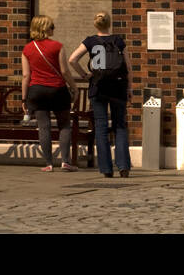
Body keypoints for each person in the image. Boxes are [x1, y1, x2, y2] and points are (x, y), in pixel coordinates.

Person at [68, 11, 132, 177]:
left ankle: (106, 169)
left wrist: (84, 75)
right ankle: (124, 167)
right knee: (120, 126)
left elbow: (72, 59)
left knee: (101, 127)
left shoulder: (90, 41)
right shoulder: (118, 41)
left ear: (95, 24)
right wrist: (129, 88)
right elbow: (128, 67)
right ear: (109, 23)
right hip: (118, 87)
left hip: (98, 86)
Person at [21, 14, 78, 171]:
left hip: (37, 91)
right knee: (65, 125)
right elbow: (65, 71)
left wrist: (24, 99)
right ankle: (65, 161)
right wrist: (74, 87)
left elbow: (26, 76)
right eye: (52, 26)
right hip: (57, 90)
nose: (54, 29)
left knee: (44, 127)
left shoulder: (27, 49)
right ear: (46, 29)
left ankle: (48, 164)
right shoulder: (57, 46)